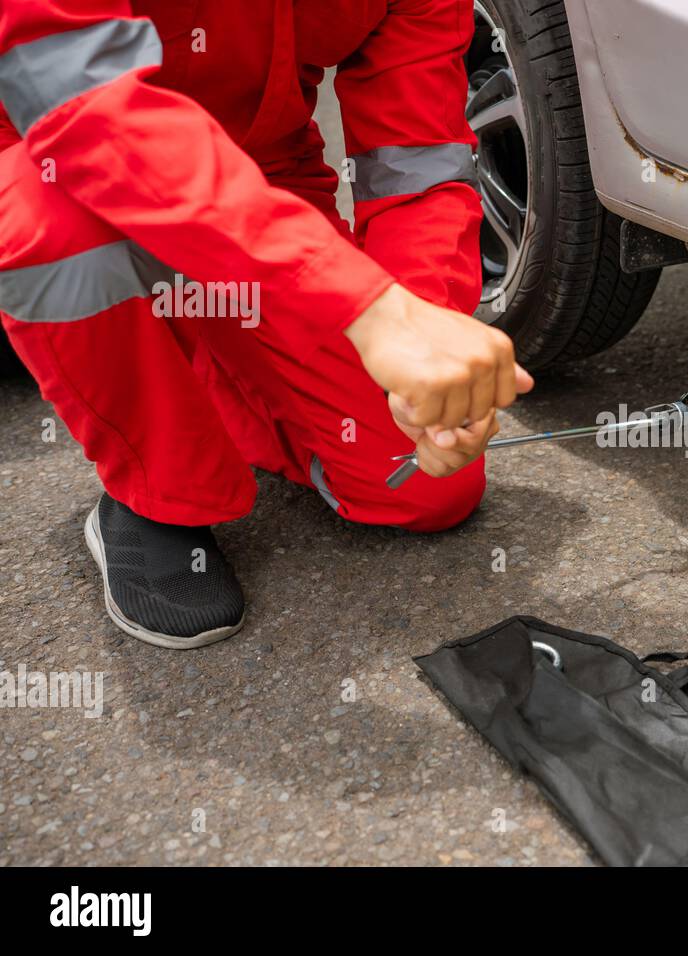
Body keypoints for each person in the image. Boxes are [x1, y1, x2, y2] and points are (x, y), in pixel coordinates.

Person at [0, 0, 532, 649]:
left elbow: (415, 166)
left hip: (259, 179)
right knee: (61, 234)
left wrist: (423, 340)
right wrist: (362, 306)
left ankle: (200, 363)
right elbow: (85, 116)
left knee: (425, 482)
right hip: (56, 164)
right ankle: (152, 491)